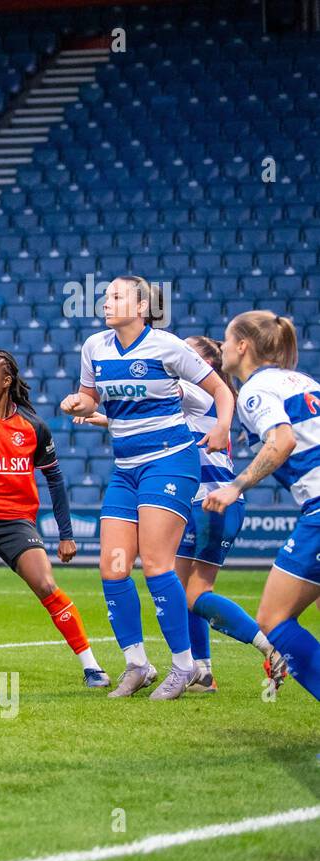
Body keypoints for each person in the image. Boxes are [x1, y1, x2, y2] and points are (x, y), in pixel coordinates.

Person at [76, 335, 286, 692]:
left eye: (187, 353)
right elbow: (144, 416)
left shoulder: (196, 392)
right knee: (187, 590)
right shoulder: (199, 402)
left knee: (191, 593)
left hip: (209, 500)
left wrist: (101, 407)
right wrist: (98, 417)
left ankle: (267, 645)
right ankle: (202, 672)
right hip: (209, 501)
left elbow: (152, 394)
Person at [60, 276, 235, 699]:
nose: (106, 302)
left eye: (116, 296)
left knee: (157, 564)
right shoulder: (94, 347)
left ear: (141, 306)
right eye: (105, 296)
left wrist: (223, 426)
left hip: (170, 462)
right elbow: (91, 399)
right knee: (113, 566)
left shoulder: (168, 346)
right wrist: (77, 404)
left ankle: (184, 666)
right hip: (125, 469)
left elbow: (219, 391)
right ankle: (137, 663)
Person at [0, 350, 108, 686]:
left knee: (45, 584)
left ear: (6, 380)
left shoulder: (32, 426)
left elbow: (54, 479)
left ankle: (92, 666)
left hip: (15, 521)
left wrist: (66, 535)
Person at [203, 310, 320, 701]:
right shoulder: (304, 381)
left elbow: (282, 441)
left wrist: (236, 486)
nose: (220, 348)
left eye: (225, 339)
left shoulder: (256, 390)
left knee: (274, 620)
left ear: (243, 346)